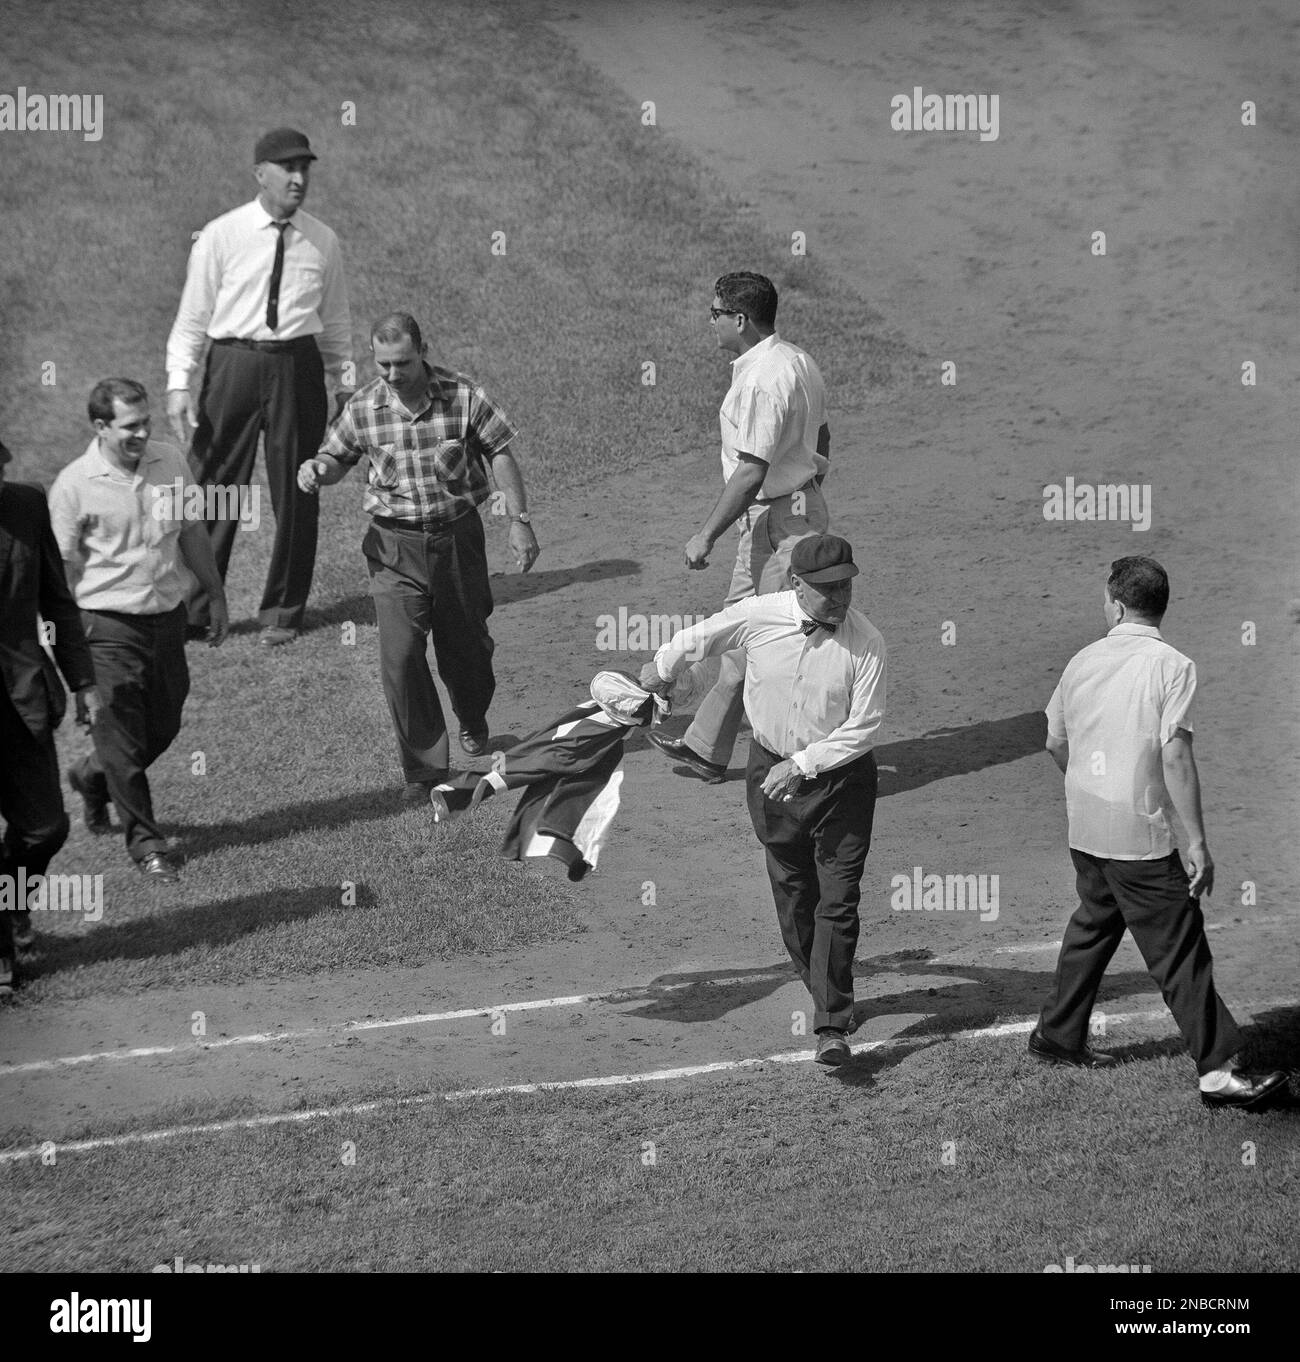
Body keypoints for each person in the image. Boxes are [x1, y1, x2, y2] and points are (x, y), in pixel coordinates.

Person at [1031, 556, 1286, 1110]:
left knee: (1096, 922)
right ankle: (1218, 1069)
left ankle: (1057, 1034)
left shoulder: (1081, 660)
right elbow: (1175, 754)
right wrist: (1197, 840)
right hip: (1135, 836)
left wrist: (1087, 788)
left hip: (1086, 825)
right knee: (1179, 946)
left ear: (1118, 604)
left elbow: (1054, 740)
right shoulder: (1174, 666)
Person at [642, 534, 885, 1067]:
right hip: (768, 771)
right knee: (795, 893)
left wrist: (801, 765)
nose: (839, 597)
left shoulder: (866, 642)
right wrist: (659, 671)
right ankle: (821, 986)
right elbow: (696, 638)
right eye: (826, 589)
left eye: (845, 585)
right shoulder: (758, 615)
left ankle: (831, 1023)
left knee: (838, 900)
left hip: (841, 783)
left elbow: (864, 728)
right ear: (797, 584)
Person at [299, 312, 540, 802]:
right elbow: (335, 458)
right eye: (383, 364)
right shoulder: (364, 406)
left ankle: (472, 714)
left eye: (402, 363)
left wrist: (518, 521)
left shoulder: (463, 395)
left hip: (456, 541)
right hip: (392, 547)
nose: (392, 374)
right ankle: (425, 770)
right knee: (402, 656)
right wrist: (315, 470)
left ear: (422, 350)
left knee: (467, 646)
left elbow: (500, 452)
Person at [165, 126, 352, 646]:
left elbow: (335, 322)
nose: (298, 178)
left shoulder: (323, 240)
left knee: (300, 488)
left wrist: (344, 383)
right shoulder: (221, 235)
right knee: (216, 486)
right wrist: (179, 384)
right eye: (288, 169)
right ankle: (197, 610)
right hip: (232, 366)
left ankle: (283, 613)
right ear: (260, 174)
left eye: (305, 169)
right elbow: (192, 316)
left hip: (298, 367)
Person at [649, 270, 831, 784]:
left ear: (740, 319)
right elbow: (823, 434)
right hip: (790, 510)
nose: (711, 322)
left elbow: (751, 471)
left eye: (715, 313)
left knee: (778, 640)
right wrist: (810, 486)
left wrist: (705, 534)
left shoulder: (761, 379)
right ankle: (706, 748)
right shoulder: (798, 360)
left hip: (779, 522)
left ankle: (807, 757)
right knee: (741, 629)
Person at [48, 380, 229, 883]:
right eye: (131, 425)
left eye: (145, 421)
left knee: (165, 722)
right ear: (100, 427)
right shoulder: (74, 485)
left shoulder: (168, 459)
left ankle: (91, 776)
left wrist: (213, 594)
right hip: (106, 628)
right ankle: (148, 846)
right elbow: (59, 569)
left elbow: (192, 531)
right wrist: (65, 636)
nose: (142, 432)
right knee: (123, 738)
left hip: (166, 618)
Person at [0, 440, 98, 994]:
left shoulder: (25, 505)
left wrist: (83, 680)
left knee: (44, 827)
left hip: (21, 695)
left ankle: (11, 905)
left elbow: (57, 602)